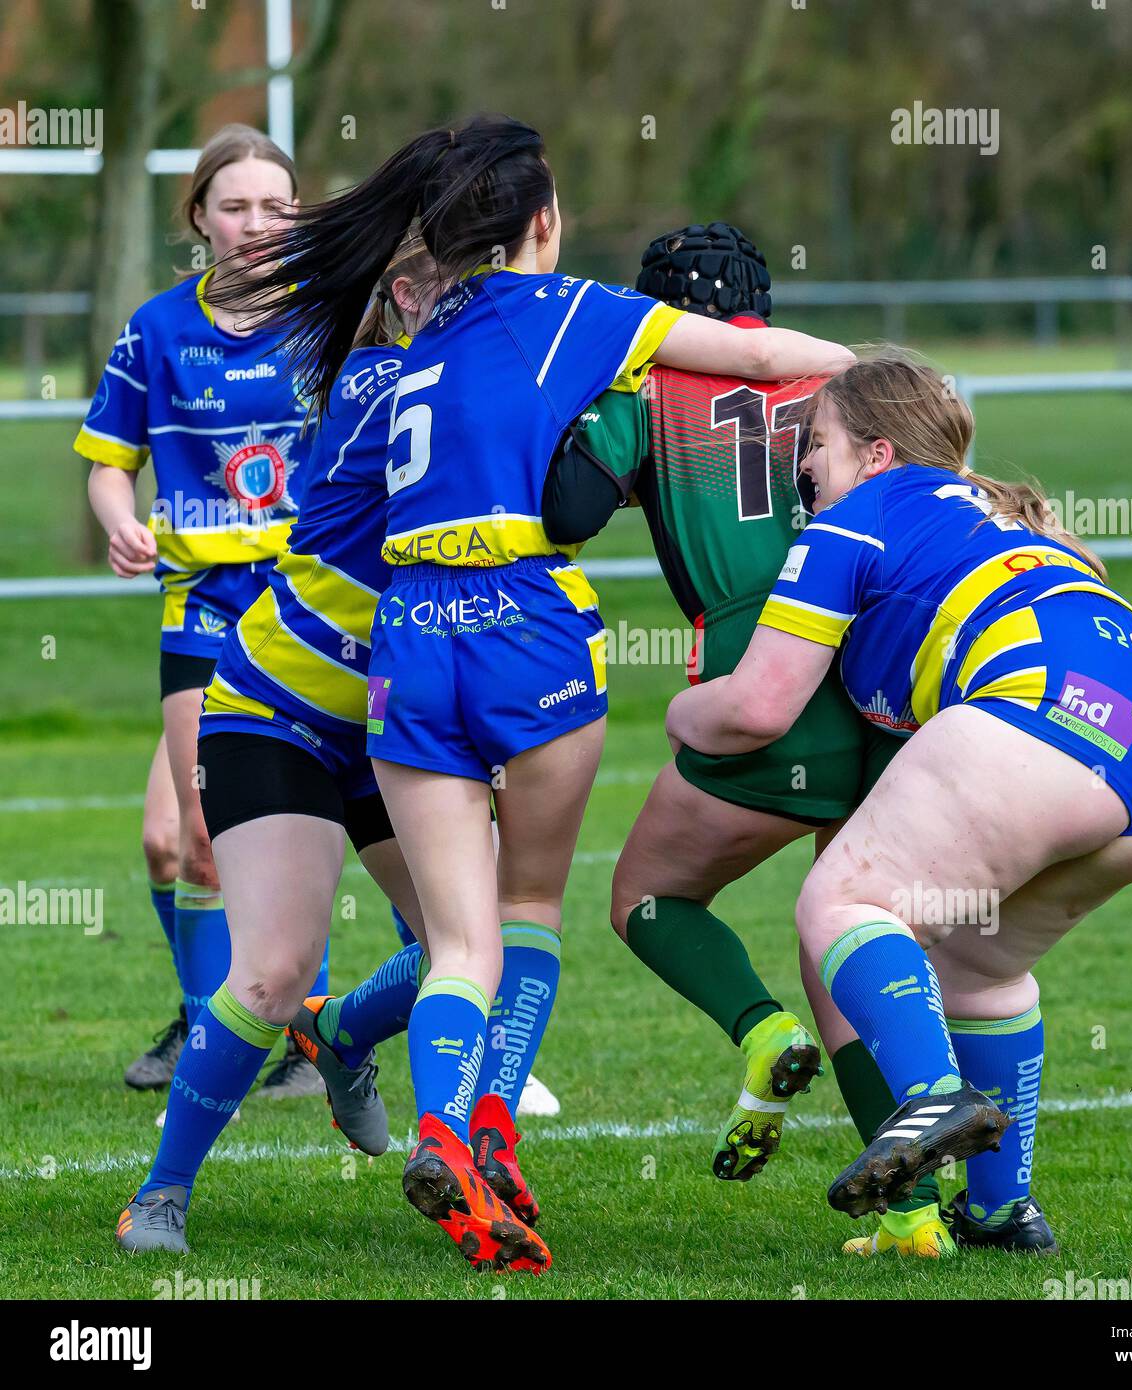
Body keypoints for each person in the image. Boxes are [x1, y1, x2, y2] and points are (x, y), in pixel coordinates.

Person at [221, 114, 855, 1273]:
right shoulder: (571, 311)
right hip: (524, 627)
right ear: (541, 225)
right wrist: (890, 381)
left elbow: (332, 522)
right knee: (528, 912)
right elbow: (764, 359)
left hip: (409, 639)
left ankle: (436, 1134)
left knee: (454, 941)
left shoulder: (416, 345)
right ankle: (487, 1132)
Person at [665, 352, 1132, 1252]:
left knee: (839, 903)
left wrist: (679, 712)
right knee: (978, 967)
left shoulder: (858, 517)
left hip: (1044, 707)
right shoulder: (1001, 514)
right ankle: (1001, 1210)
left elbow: (756, 708)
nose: (806, 464)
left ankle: (930, 1098)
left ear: (875, 454)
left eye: (821, 442)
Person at [542, 223, 949, 1257]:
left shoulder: (649, 386)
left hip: (765, 668)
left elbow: (565, 507)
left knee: (645, 898)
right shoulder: (843, 387)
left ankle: (760, 1030)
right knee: (846, 945)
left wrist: (592, 421)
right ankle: (914, 1212)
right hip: (892, 672)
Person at [79, 124, 327, 1103]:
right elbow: (109, 461)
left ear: (297, 214)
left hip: (311, 608)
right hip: (203, 605)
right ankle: (214, 1026)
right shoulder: (156, 328)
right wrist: (119, 520)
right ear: (199, 218)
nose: (256, 222)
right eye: (234, 205)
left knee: (382, 807)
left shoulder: (331, 320)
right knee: (181, 836)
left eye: (275, 205)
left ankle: (349, 1025)